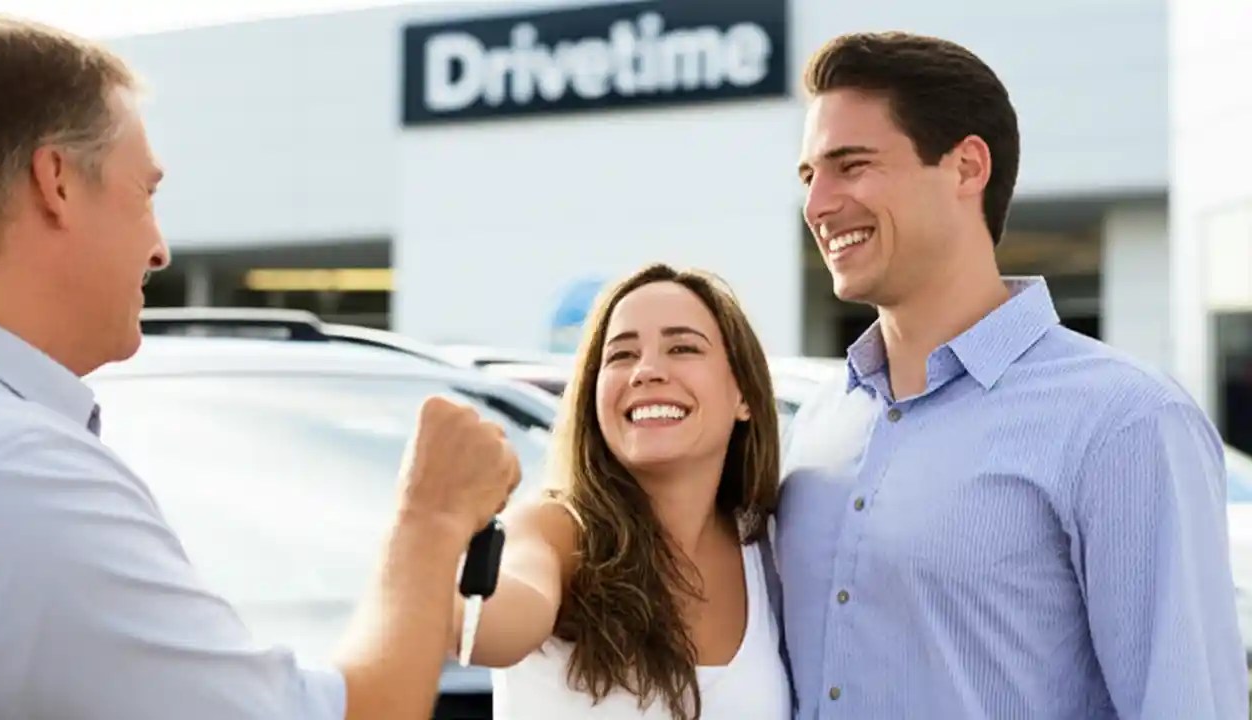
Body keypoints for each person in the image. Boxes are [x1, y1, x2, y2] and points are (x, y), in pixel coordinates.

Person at [0, 15, 520, 720]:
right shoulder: (19, 473)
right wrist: (434, 516)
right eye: (145, 193)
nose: (159, 248)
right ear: (56, 182)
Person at [778, 29, 1249, 719]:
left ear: (968, 167)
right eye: (809, 176)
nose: (818, 205)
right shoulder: (820, 419)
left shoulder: (1123, 421)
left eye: (851, 165)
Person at [452, 263, 793, 720]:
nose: (647, 371)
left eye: (683, 347)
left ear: (744, 396)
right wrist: (438, 527)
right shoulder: (555, 531)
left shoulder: (768, 551)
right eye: (621, 356)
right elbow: (485, 627)